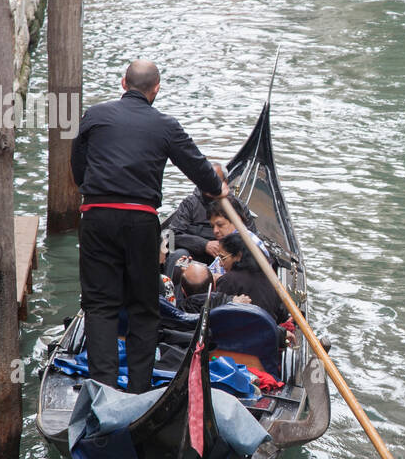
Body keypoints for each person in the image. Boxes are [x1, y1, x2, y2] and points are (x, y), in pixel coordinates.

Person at [72, 60, 228, 393]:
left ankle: (102, 390)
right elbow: (198, 168)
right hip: (140, 222)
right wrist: (218, 187)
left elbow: (78, 169)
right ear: (156, 89)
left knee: (100, 305)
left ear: (123, 82)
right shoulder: (165, 125)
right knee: (143, 307)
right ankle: (139, 391)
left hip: (96, 218)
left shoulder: (95, 116)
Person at [160, 163, 255, 263]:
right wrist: (204, 245)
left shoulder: (237, 206)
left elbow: (251, 237)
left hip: (229, 257)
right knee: (178, 255)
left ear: (225, 182)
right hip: (194, 258)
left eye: (214, 181)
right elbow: (170, 236)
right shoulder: (190, 204)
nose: (209, 185)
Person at [214, 233, 296, 348]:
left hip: (237, 345)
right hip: (268, 343)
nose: (221, 264)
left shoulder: (228, 281)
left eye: (223, 258)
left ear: (238, 256)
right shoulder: (271, 278)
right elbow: (281, 314)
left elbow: (217, 318)